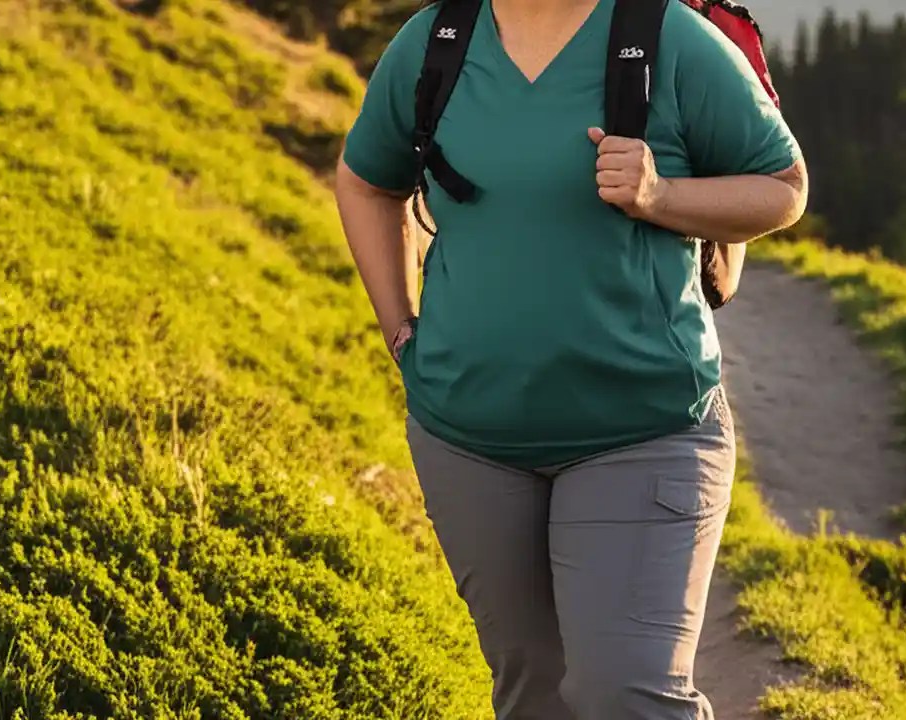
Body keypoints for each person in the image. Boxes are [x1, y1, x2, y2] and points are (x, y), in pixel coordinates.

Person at [334, 0, 807, 716]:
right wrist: (400, 331)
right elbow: (369, 182)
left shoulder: (669, 38)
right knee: (532, 692)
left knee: (624, 696)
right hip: (469, 444)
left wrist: (659, 193)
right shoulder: (437, 41)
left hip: (644, 433)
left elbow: (783, 186)